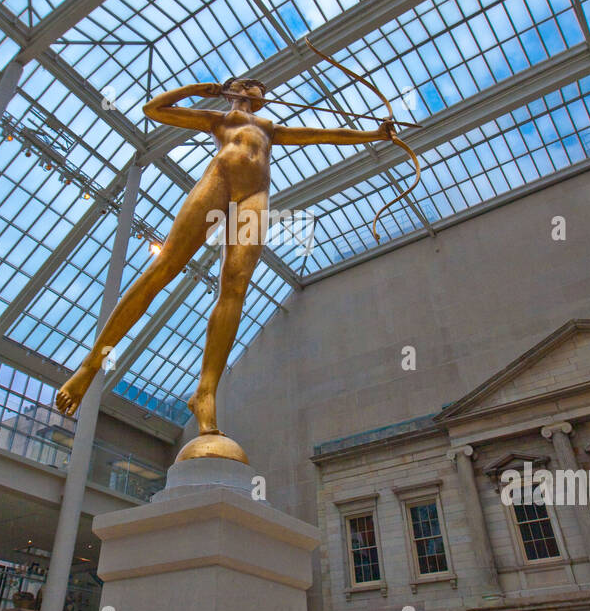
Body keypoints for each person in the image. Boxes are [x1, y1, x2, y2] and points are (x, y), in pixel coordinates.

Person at [55, 77, 394, 462]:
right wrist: (197, 90)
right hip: (218, 179)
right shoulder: (218, 121)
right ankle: (88, 367)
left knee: (234, 288)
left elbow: (324, 134)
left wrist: (374, 134)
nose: (255, 89)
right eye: (248, 84)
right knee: (163, 268)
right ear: (232, 89)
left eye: (259, 88)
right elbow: (154, 110)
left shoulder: (268, 129)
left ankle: (205, 393)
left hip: (255, 194)